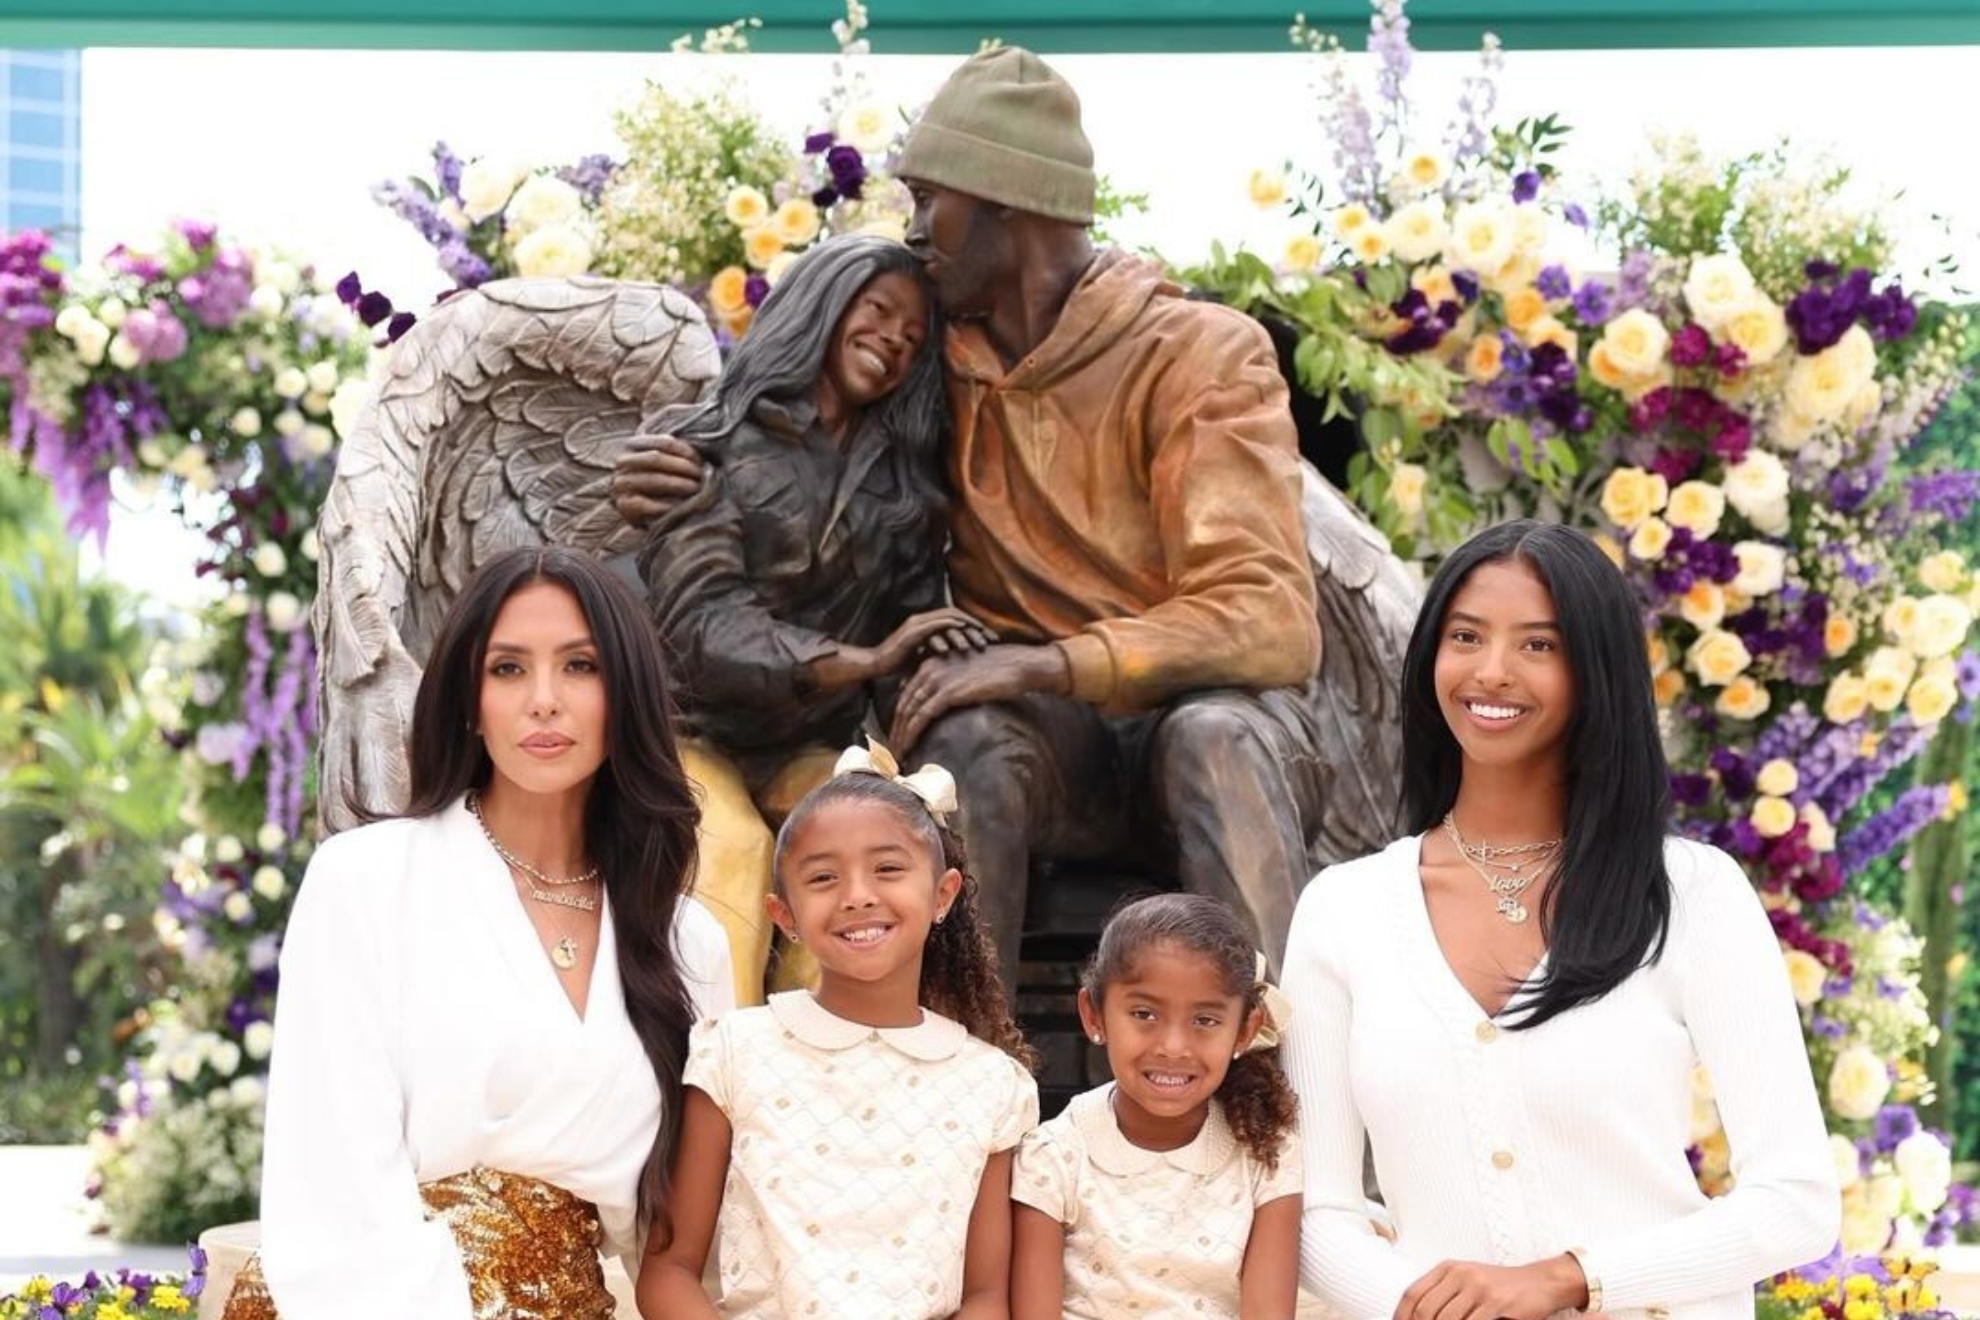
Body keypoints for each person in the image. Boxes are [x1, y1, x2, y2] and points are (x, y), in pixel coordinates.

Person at [616, 46, 1329, 983]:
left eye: (926, 201)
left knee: (1215, 741)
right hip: (1042, 742)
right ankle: (958, 1080)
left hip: (1202, 719)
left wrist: (1041, 661)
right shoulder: (928, 363)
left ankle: (1275, 1080)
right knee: (961, 745)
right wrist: (681, 459)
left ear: (1005, 200)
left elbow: (1270, 620)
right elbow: (788, 430)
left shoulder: (1200, 354)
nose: (913, 234)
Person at [1280, 520, 1839, 1320]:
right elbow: (1312, 1208)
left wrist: (1570, 1277)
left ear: (1595, 673)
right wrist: (1430, 1306)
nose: (1491, 671)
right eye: (1465, 636)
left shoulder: (1693, 896)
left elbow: (1796, 1200)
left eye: (1538, 646)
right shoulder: (1345, 909)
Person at [223, 546, 735, 1320]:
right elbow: (334, 1181)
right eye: (507, 669)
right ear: (469, 698)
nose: (543, 700)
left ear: (623, 694)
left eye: (580, 667)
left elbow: (686, 1244)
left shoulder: (686, 942)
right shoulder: (365, 881)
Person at [639, 234, 990, 1007]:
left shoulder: (903, 491)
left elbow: (911, 634)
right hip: (691, 731)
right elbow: (703, 627)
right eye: (878, 313)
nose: (893, 342)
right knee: (730, 849)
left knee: (848, 855)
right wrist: (864, 659)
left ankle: (834, 1085)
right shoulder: (711, 443)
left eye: (912, 338)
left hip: (809, 742)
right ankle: (716, 1088)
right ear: (824, 305)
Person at [635, 743, 1039, 1319]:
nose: (857, 896)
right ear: (785, 917)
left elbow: (985, 1297)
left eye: (888, 869)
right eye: (823, 877)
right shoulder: (734, 1052)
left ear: (943, 894)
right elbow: (669, 1273)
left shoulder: (994, 1086)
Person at [1011, 893, 1302, 1320]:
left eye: (1205, 1020)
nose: (1172, 1047)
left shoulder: (1266, 1154)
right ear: (1094, 1015)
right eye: (1145, 1014)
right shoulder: (1053, 1156)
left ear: (1245, 1030)